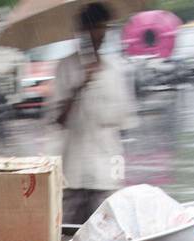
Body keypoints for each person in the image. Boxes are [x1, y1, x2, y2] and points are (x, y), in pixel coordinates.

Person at [49, 2, 135, 226]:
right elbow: (58, 120)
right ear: (81, 32)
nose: (98, 34)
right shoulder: (66, 67)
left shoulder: (116, 69)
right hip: (73, 172)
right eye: (92, 28)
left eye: (102, 28)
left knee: (107, 236)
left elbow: (123, 121)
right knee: (68, 234)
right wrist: (79, 88)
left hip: (107, 172)